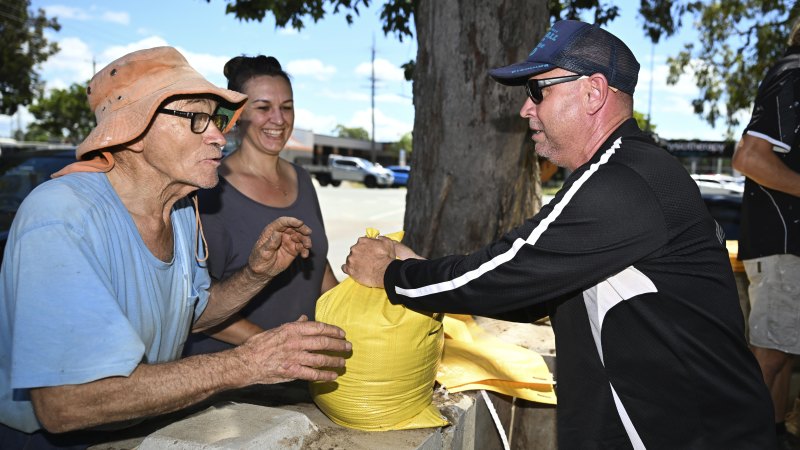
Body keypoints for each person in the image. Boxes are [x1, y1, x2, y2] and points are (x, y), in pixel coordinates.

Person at [343, 20, 775, 448]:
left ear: (593, 93)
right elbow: (534, 288)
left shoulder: (621, 182)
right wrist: (418, 269)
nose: (525, 109)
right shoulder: (631, 169)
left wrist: (391, 275)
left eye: (538, 91)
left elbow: (505, 270)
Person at [0, 46, 350, 449]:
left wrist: (257, 274)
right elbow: (66, 404)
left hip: (141, 427)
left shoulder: (180, 210)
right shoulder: (63, 215)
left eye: (216, 120)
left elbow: (194, 316)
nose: (219, 136)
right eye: (197, 119)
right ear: (133, 132)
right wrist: (246, 363)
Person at [184, 55, 338, 355]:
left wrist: (364, 309)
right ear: (237, 114)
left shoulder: (302, 179)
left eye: (286, 107)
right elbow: (193, 306)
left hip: (299, 368)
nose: (278, 119)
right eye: (263, 107)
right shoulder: (210, 188)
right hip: (234, 375)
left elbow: (317, 266)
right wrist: (277, 345)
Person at [732, 19, 800, 448]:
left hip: (787, 248)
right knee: (770, 356)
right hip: (782, 247)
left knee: (782, 356)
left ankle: (773, 436)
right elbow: (748, 157)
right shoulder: (793, 74)